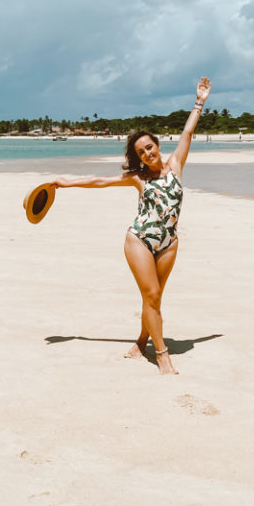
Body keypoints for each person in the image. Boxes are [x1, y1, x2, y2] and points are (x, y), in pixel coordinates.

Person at [51, 77, 212, 375]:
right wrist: (66, 182)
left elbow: (188, 131)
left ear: (157, 145)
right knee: (151, 295)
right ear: (137, 157)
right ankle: (162, 355)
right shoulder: (138, 178)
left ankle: (141, 341)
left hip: (169, 242)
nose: (147, 154)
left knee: (154, 297)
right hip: (140, 240)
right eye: (141, 152)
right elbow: (98, 181)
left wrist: (199, 101)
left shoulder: (176, 165)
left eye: (149, 147)